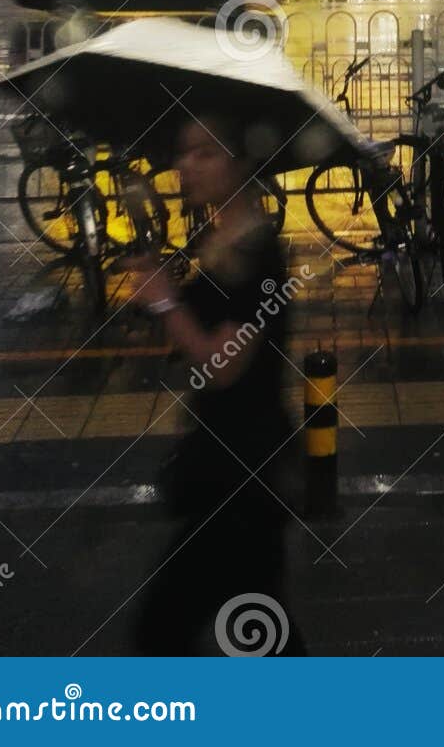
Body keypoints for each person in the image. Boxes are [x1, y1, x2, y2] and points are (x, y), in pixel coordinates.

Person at [129, 114, 304, 656]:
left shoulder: (257, 255)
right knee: (258, 631)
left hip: (241, 470)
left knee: (162, 631)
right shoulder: (223, 237)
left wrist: (163, 299)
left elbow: (223, 364)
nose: (186, 165)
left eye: (205, 153)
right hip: (231, 460)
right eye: (184, 152)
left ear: (240, 163)